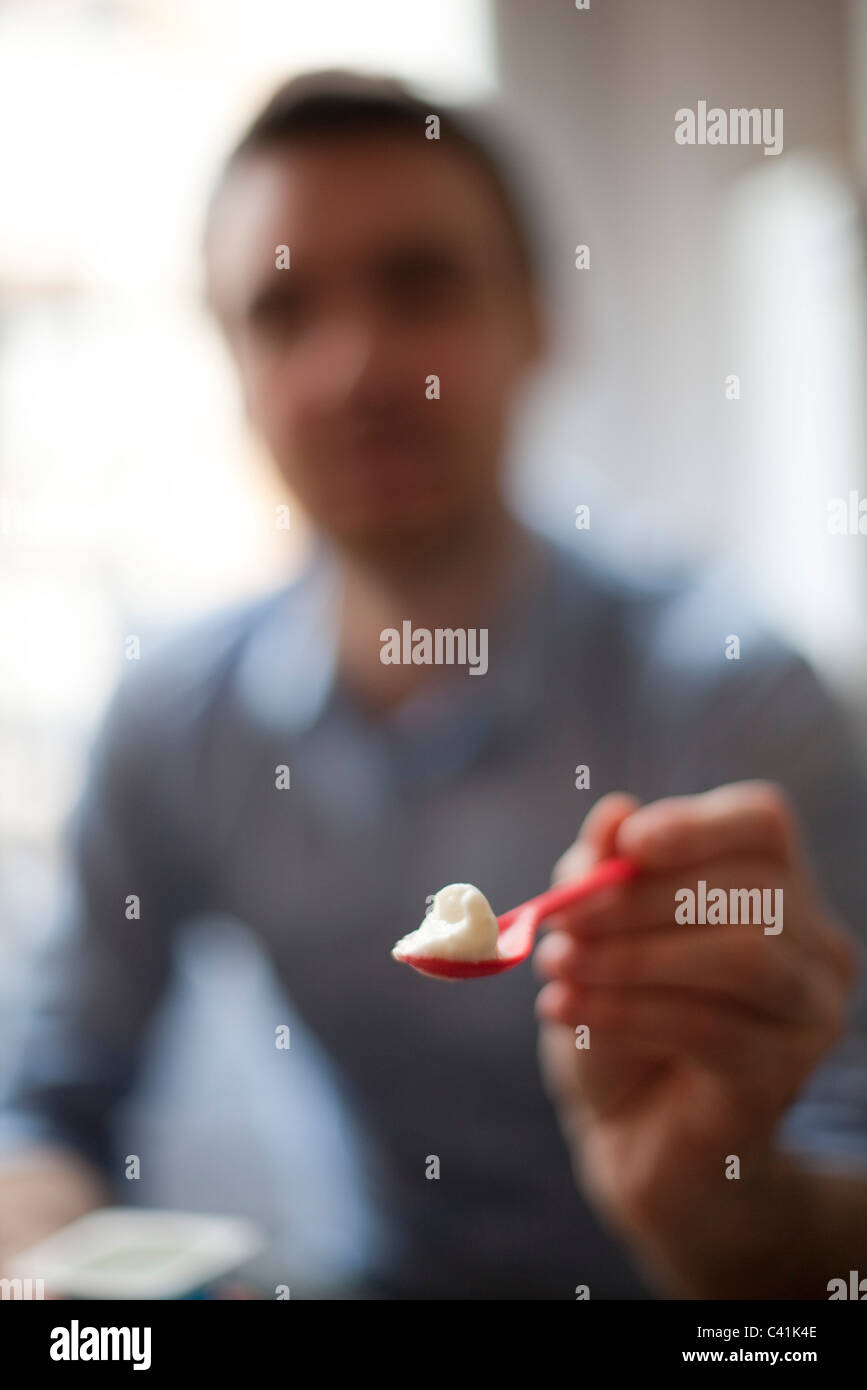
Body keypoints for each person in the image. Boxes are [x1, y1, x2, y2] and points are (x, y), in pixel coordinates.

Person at [1, 69, 866, 1300]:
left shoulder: (737, 700)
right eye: (286, 310)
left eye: (419, 283)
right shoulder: (172, 718)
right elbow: (44, 1104)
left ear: (537, 320)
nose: (357, 363)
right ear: (237, 372)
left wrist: (726, 1208)